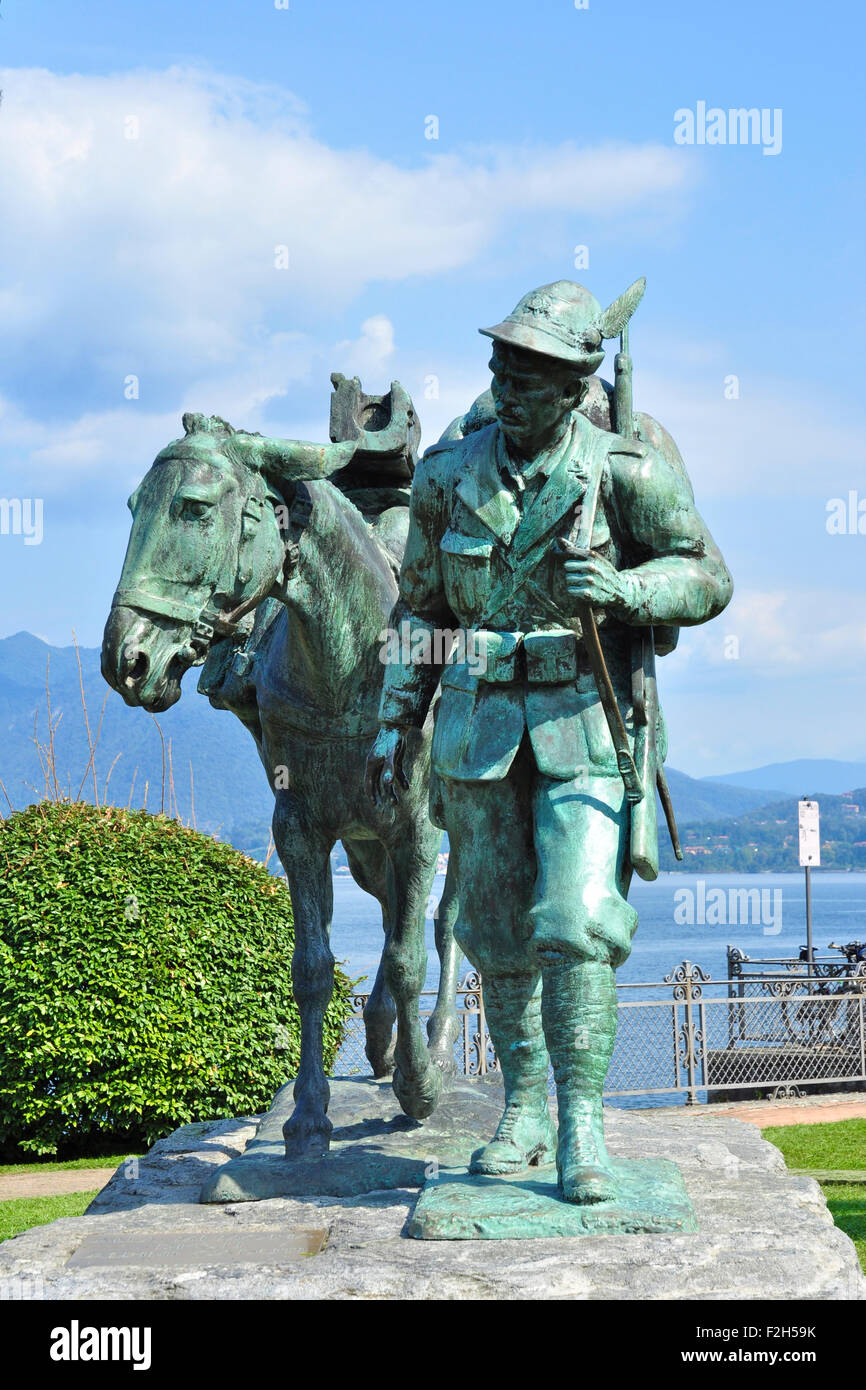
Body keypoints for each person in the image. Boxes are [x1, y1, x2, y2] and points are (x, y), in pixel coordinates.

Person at [366, 280, 732, 1203]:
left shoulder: (624, 470)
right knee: (493, 933)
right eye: (502, 366)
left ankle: (580, 1130)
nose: (508, 384)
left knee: (573, 924)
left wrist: (626, 592)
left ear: (575, 385)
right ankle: (522, 1108)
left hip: (585, 725)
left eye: (530, 374)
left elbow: (707, 575)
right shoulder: (448, 476)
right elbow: (420, 610)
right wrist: (392, 718)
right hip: (479, 731)